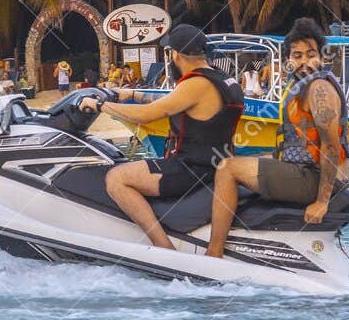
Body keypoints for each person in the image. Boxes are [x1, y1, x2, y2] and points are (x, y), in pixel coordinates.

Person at [78, 25, 244, 249]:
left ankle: (164, 248)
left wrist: (100, 105)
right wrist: (132, 94)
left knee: (117, 178)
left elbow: (147, 116)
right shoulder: (224, 80)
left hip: (190, 170)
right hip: (215, 165)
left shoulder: (196, 84)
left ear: (174, 54)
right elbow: (171, 101)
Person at [207, 19, 349, 259]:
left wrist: (322, 202)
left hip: (317, 178)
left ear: (322, 57)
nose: (304, 62)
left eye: (311, 54)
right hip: (306, 170)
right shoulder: (303, 85)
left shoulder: (318, 89)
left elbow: (331, 146)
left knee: (226, 169)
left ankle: (214, 254)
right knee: (239, 160)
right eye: (297, 55)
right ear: (288, 60)